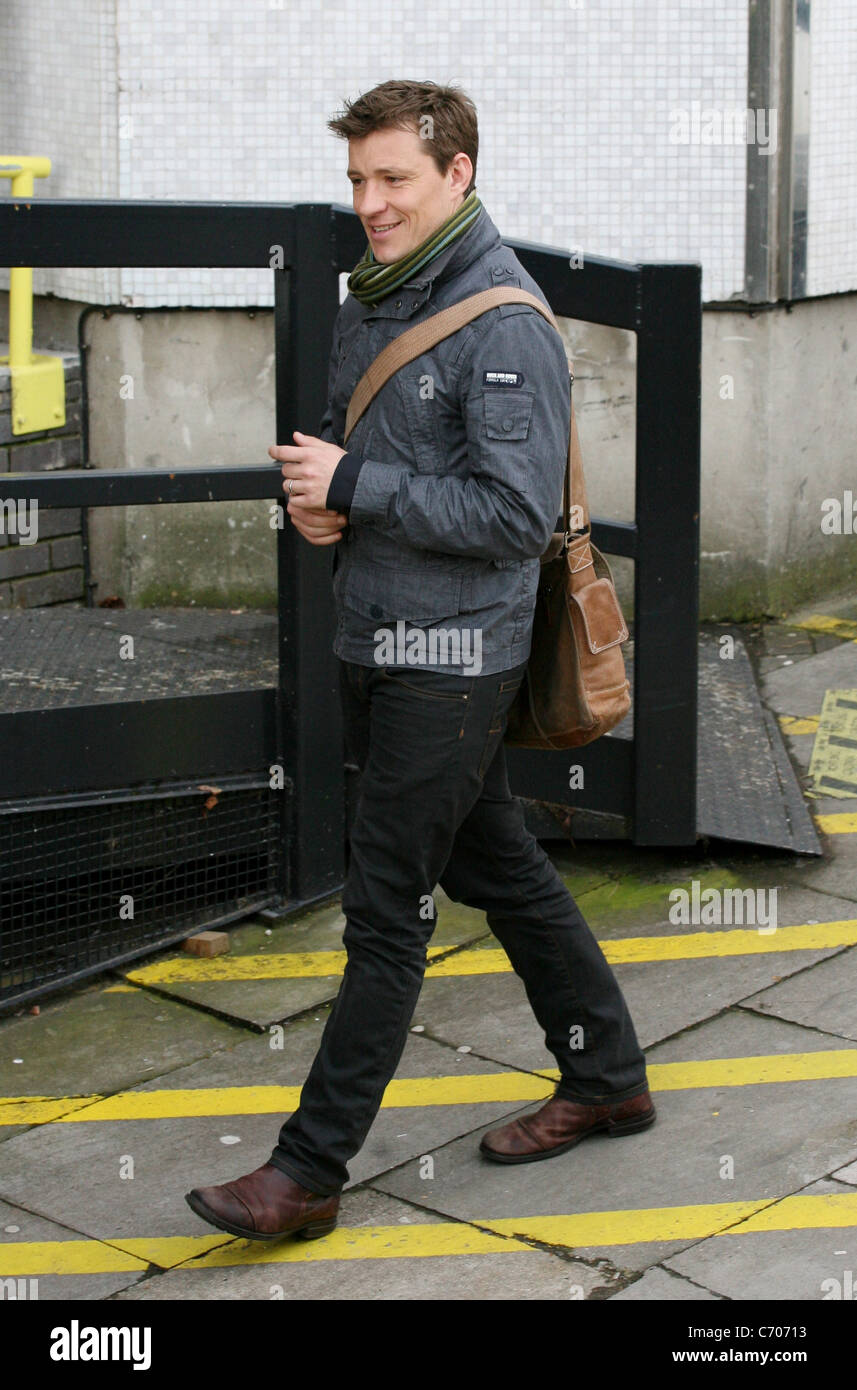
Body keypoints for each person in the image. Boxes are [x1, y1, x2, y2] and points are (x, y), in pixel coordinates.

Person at [186, 79, 654, 1244]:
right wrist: (325, 505)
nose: (370, 203)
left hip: (453, 661)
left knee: (385, 909)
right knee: (499, 864)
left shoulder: (500, 323)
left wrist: (358, 487)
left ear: (456, 174)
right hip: (379, 633)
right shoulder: (378, 293)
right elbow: (367, 456)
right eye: (357, 180)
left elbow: (509, 515)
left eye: (392, 178)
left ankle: (306, 1174)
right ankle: (607, 1076)